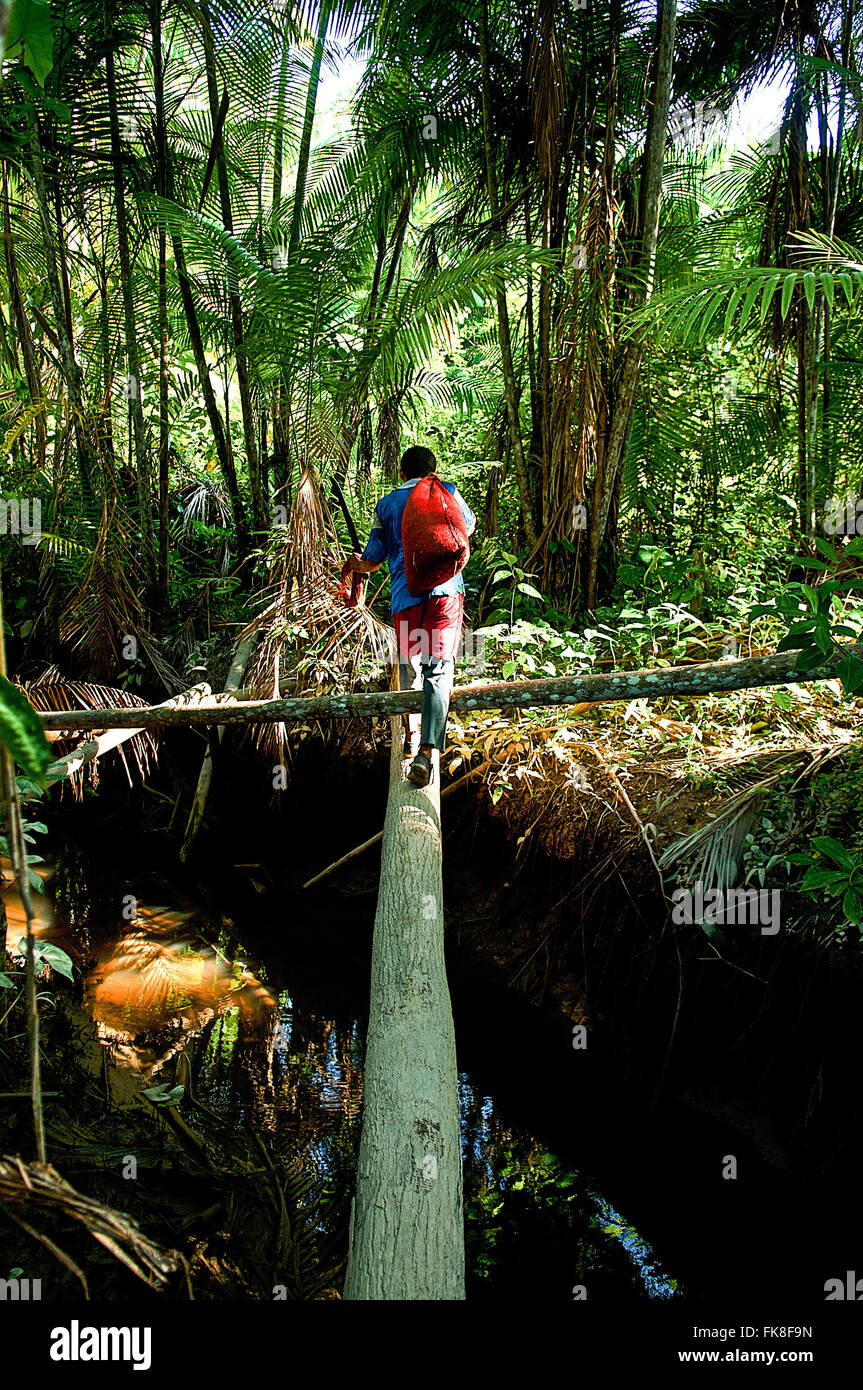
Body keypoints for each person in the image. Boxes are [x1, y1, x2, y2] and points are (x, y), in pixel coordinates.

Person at [348, 445, 476, 786]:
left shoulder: (387, 505)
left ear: (402, 473)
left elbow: (372, 560)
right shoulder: (447, 491)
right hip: (445, 594)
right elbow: (468, 526)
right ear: (432, 471)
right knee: (439, 667)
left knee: (408, 664)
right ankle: (426, 752)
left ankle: (408, 735)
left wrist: (355, 566)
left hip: (406, 597)